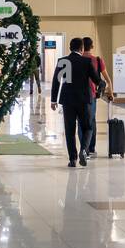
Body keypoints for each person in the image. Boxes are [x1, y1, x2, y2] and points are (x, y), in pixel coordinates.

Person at [50, 38, 101, 167]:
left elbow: (56, 81)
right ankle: (84, 150)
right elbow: (97, 80)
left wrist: (53, 100)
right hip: (84, 100)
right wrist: (101, 88)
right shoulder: (86, 61)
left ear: (70, 47)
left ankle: (72, 159)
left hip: (67, 100)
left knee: (69, 130)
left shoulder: (62, 61)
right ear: (81, 48)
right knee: (88, 127)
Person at [81, 38, 113, 160]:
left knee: (81, 122)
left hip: (79, 95)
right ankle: (91, 148)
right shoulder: (97, 60)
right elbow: (107, 79)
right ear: (92, 46)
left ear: (82, 47)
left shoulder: (78, 59)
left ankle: (83, 148)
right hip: (92, 95)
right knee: (91, 121)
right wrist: (110, 92)